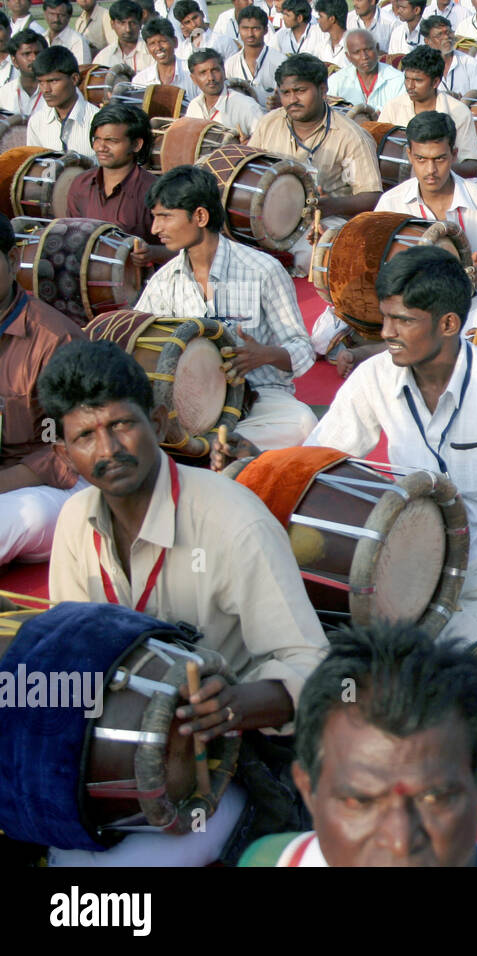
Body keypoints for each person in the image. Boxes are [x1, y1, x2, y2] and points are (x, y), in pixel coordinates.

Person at [39, 338, 327, 866]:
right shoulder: (74, 523)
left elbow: (314, 669)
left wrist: (235, 705)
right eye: (85, 436)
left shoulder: (234, 522)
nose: (108, 451)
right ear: (63, 453)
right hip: (114, 749)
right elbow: (72, 653)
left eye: (122, 425)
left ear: (160, 421)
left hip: (228, 757)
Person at [292, 246, 477, 675]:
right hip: (398, 555)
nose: (387, 332)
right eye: (386, 317)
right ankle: (442, 638)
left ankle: (410, 642)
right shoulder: (374, 375)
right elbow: (321, 459)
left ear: (448, 324)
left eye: (403, 321)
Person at [240, 622, 477, 866]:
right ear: (308, 789)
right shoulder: (272, 861)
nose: (400, 842)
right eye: (360, 801)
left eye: (434, 797)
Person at [133, 166, 319, 451]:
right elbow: (139, 339)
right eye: (155, 218)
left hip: (260, 399)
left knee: (303, 423)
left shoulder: (262, 270)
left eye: (164, 217)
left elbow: (302, 348)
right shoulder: (163, 281)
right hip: (190, 407)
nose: (155, 229)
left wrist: (264, 355)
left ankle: (211, 453)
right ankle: (218, 451)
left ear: (200, 217)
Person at [363, 109, 477, 337]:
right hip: (407, 305)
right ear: (409, 154)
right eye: (421, 159)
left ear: (454, 154)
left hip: (464, 305)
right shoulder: (391, 202)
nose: (430, 170)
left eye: (440, 159)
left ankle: (419, 340)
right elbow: (371, 265)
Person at [0, 215, 88, 570]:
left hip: (56, 484)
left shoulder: (56, 340)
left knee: (27, 515)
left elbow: (67, 450)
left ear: (10, 261)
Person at [248, 52, 383, 273]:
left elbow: (372, 196)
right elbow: (250, 168)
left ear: (322, 90)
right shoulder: (269, 123)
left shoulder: (351, 136)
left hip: (326, 219)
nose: (292, 100)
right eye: (286, 92)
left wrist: (328, 206)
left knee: (317, 255)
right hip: (270, 217)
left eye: (300, 91)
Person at [66, 104, 172, 269]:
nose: (101, 147)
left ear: (136, 145)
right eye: (97, 140)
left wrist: (152, 253)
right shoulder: (81, 185)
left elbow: (181, 249)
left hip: (139, 287)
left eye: (112, 141)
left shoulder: (157, 191)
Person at [378, 45, 477, 178]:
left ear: (435, 82)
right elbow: (379, 151)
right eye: (407, 79)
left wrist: (435, 167)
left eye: (417, 80)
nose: (410, 86)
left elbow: (473, 167)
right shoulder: (393, 107)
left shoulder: (458, 112)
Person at [28, 46, 98, 154]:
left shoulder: (96, 120)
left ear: (74, 79)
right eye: (41, 82)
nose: (46, 90)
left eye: (53, 81)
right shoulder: (36, 122)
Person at [184, 47, 263, 139]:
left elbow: (266, 143)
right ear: (193, 79)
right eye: (203, 73)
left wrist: (249, 145)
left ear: (224, 71)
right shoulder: (194, 106)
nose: (210, 77)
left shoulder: (247, 106)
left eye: (215, 70)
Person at [327, 28, 404, 110]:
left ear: (377, 49)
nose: (364, 57)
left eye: (368, 49)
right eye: (357, 52)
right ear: (348, 56)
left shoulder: (397, 78)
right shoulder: (337, 80)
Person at [226, 4, 286, 106]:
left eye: (255, 28)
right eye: (245, 28)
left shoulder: (280, 61)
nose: (250, 34)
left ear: (266, 30)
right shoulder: (231, 63)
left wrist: (282, 101)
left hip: (273, 118)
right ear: (239, 29)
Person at [133, 17, 202, 100]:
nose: (158, 48)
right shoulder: (140, 80)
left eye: (163, 41)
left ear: (175, 42)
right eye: (152, 43)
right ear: (147, 48)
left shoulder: (193, 71)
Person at [421, 14, 477, 97]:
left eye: (448, 32)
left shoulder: (469, 63)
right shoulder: (420, 66)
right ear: (427, 41)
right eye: (439, 35)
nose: (446, 37)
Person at [93, 0, 151, 74]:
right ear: (112, 24)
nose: (128, 29)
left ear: (140, 23)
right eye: (122, 23)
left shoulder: (152, 52)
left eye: (132, 23)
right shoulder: (103, 57)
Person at [0, 28, 45, 118]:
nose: (33, 58)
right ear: (14, 60)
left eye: (38, 53)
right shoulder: (4, 94)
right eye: (27, 54)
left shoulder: (57, 91)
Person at [174, 0, 240, 59]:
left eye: (195, 18)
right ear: (183, 26)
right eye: (187, 22)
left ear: (202, 14)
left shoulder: (224, 41)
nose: (194, 24)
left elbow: (234, 69)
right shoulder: (182, 50)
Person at [307, 0, 349, 68]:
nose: (318, 20)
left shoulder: (353, 45)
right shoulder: (322, 46)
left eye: (321, 16)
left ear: (332, 19)